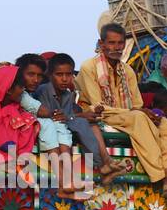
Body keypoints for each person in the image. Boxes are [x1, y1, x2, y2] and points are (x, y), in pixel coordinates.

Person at [75, 23, 167, 199]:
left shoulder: (128, 71)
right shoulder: (89, 67)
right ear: (101, 44)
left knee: (163, 122)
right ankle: (165, 177)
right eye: (111, 43)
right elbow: (97, 105)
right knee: (139, 118)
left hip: (128, 115)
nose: (116, 48)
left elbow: (137, 104)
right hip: (101, 114)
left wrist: (148, 113)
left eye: (120, 43)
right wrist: (139, 113)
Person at [31, 53, 127, 187]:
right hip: (51, 133)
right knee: (82, 122)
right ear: (50, 75)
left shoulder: (68, 94)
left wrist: (83, 115)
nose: (64, 79)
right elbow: (57, 117)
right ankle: (104, 164)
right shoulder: (43, 91)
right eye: (59, 75)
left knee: (90, 123)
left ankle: (105, 164)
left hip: (65, 129)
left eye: (68, 74)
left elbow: (68, 116)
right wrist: (81, 116)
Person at [0, 61, 39, 161]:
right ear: (9, 89)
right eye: (21, 87)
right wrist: (9, 147)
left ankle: (23, 156)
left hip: (12, 148)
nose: (23, 90)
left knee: (28, 120)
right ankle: (9, 161)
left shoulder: (14, 106)